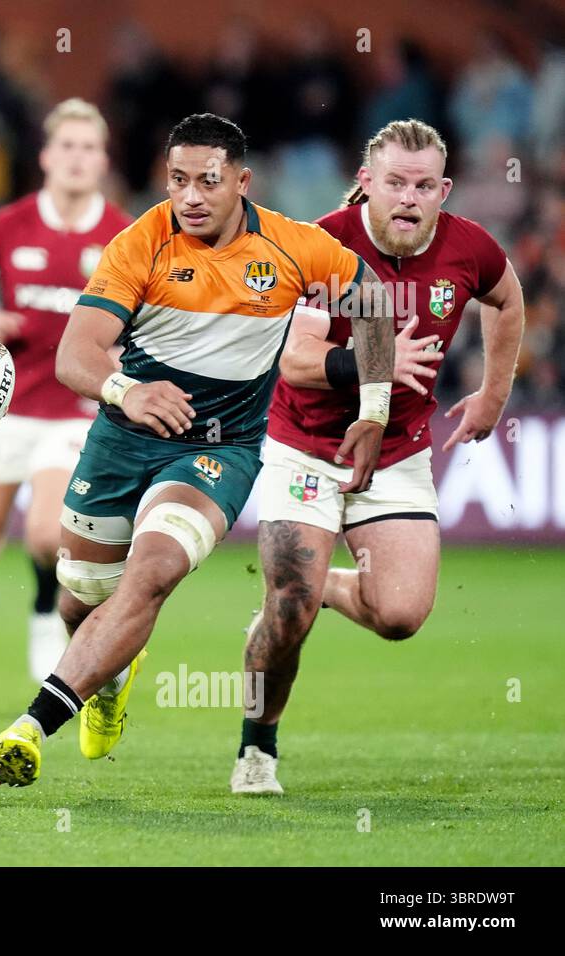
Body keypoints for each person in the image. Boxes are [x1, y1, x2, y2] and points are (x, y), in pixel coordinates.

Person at [0, 113, 396, 787]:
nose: (192, 196)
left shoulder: (292, 246)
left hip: (217, 451)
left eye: (208, 180)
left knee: (153, 572)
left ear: (241, 180)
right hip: (122, 438)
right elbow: (73, 355)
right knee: (80, 599)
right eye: (178, 180)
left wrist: (374, 407)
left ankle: (30, 727)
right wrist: (125, 392)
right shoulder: (140, 242)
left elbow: (374, 300)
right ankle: (109, 680)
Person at [236, 119, 524, 795]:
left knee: (399, 617)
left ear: (443, 190)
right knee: (285, 615)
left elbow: (507, 300)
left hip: (397, 451)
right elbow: (293, 359)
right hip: (306, 444)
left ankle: (319, 588)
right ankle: (257, 749)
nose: (408, 197)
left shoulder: (469, 249)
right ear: (367, 182)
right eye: (394, 182)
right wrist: (378, 359)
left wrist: (493, 394)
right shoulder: (320, 244)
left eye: (424, 186)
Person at [0, 98, 132, 709]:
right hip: (3, 408)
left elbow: (148, 322)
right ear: (46, 156)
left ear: (102, 160)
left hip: (75, 411)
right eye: (65, 146)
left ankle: (45, 615)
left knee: (47, 534)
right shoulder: (6, 226)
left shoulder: (122, 236)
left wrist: (123, 358)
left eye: (88, 148)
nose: (76, 158)